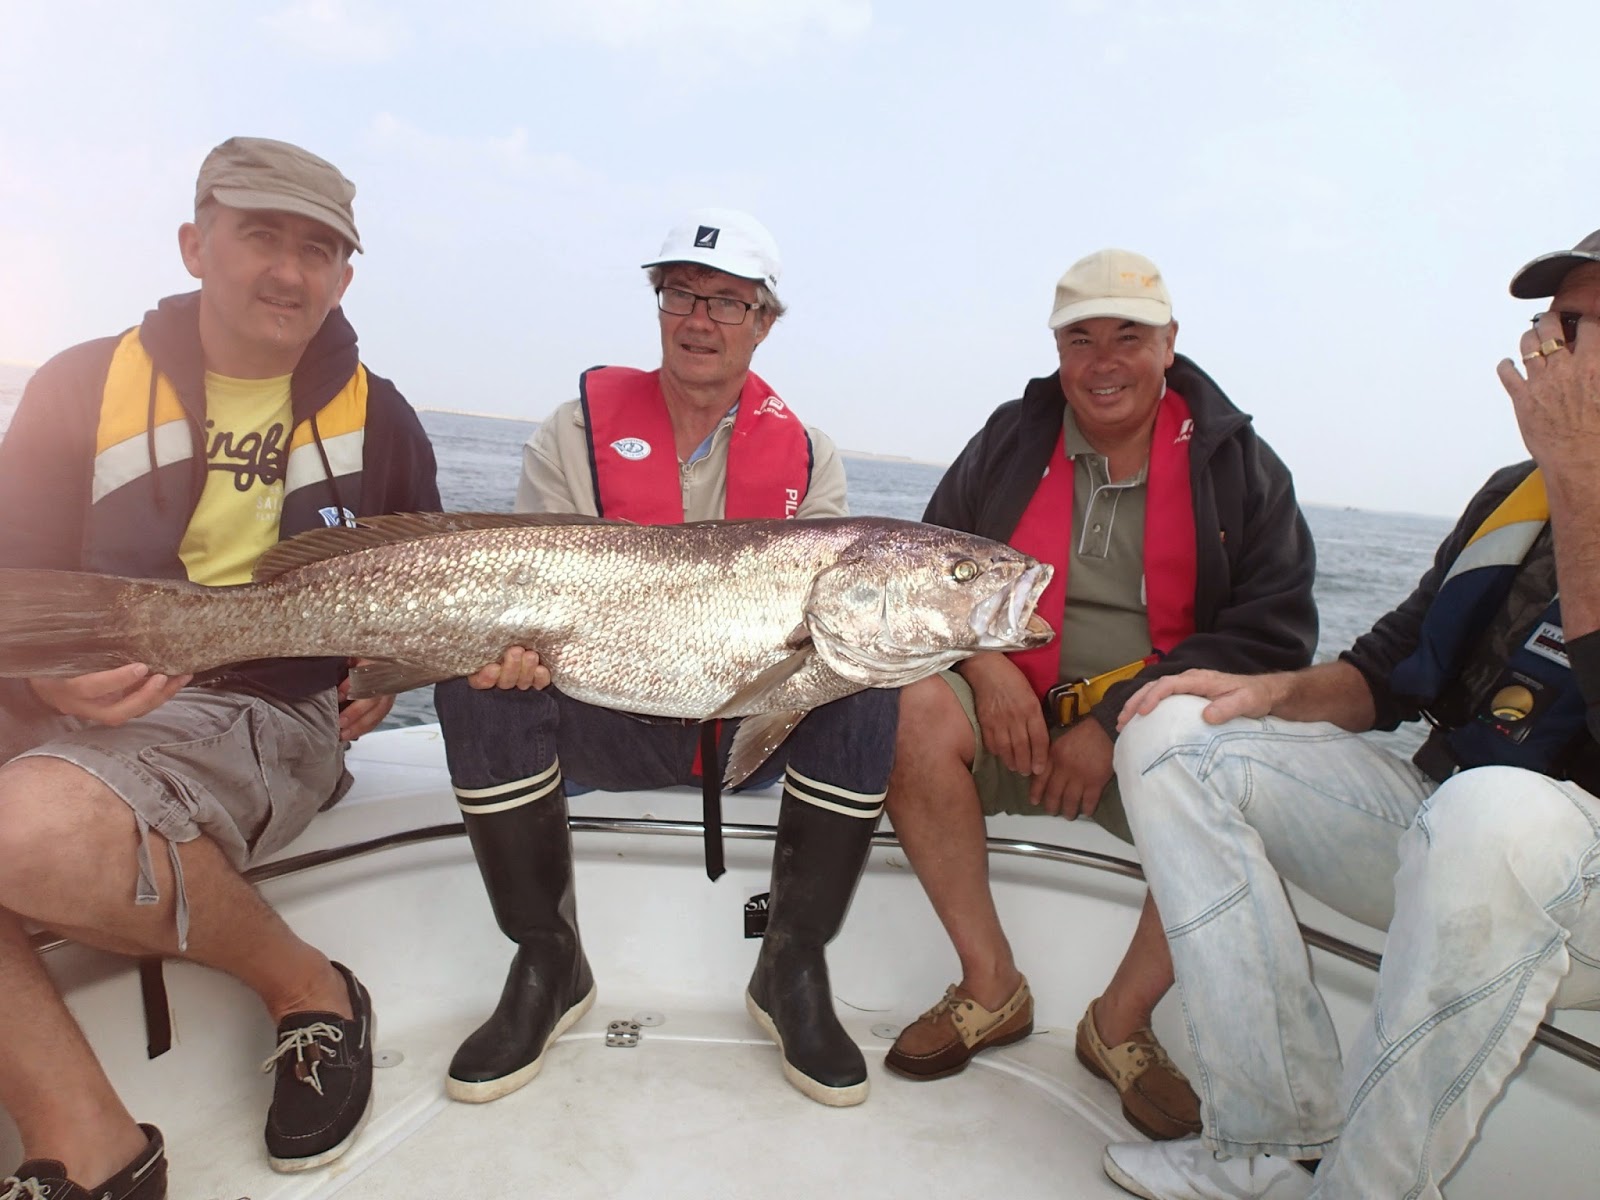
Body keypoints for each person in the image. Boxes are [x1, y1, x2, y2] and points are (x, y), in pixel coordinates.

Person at [1101, 230, 1600, 1198]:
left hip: (1561, 881)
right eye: (1545, 321)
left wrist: (1581, 474)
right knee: (1171, 736)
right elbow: (1387, 673)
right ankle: (1270, 1138)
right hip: (1448, 832)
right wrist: (1267, 694)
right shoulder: (1515, 496)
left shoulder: (1564, 486)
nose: (1539, 346)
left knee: (1492, 810)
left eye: (1571, 326)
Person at [0, 137, 442, 1198]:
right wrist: (42, 684)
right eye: (260, 236)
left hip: (270, 709)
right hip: (70, 700)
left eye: (318, 248)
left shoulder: (383, 422)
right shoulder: (77, 384)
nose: (288, 271)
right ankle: (89, 1142)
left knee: (20, 832)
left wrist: (389, 667)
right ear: (197, 243)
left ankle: (310, 990)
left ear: (344, 274)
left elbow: (424, 594)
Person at [433, 209, 897, 1109]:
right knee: (475, 689)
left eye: (729, 302)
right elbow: (523, 591)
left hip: (750, 739)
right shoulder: (572, 432)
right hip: (609, 721)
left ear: (766, 322)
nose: (699, 319)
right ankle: (547, 958)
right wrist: (512, 652)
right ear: (658, 305)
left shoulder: (812, 461)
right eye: (681, 293)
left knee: (868, 683)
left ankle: (791, 965)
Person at [882, 249, 1317, 1142]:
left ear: (1171, 344)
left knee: (1228, 761)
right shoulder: (1009, 438)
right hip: (1008, 720)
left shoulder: (1242, 466)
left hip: (1145, 738)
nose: (1104, 360)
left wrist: (1117, 719)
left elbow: (1276, 633)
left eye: (1130, 336)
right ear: (1056, 347)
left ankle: (1117, 1025)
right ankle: (989, 986)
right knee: (902, 708)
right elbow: (920, 575)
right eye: (1082, 338)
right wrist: (982, 663)